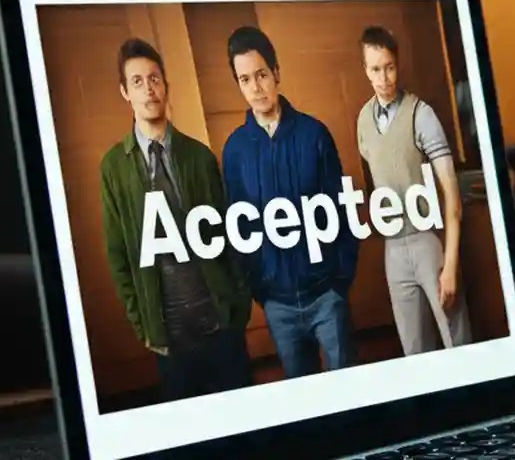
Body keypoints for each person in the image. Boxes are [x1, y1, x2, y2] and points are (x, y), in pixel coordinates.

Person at [99, 38, 252, 402]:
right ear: (125, 92)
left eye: (154, 79)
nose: (148, 89)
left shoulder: (198, 156)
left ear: (165, 85)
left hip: (220, 327)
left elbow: (229, 234)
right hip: (169, 341)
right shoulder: (114, 168)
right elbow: (119, 255)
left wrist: (238, 305)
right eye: (137, 81)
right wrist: (143, 325)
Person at [221, 26, 359, 377]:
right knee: (306, 406)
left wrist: (339, 281)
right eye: (245, 79)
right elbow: (241, 228)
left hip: (326, 296)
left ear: (277, 73)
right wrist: (260, 290)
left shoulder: (314, 134)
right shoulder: (235, 151)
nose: (256, 87)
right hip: (277, 303)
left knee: (352, 397)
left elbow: (341, 211)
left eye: (262, 75)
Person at [356, 26, 472, 355]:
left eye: (389, 67)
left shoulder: (422, 115)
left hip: (428, 242)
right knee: (414, 352)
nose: (384, 78)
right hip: (393, 249)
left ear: (398, 64)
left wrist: (449, 265)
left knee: (457, 343)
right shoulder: (363, 121)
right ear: (365, 70)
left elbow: (452, 196)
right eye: (376, 69)